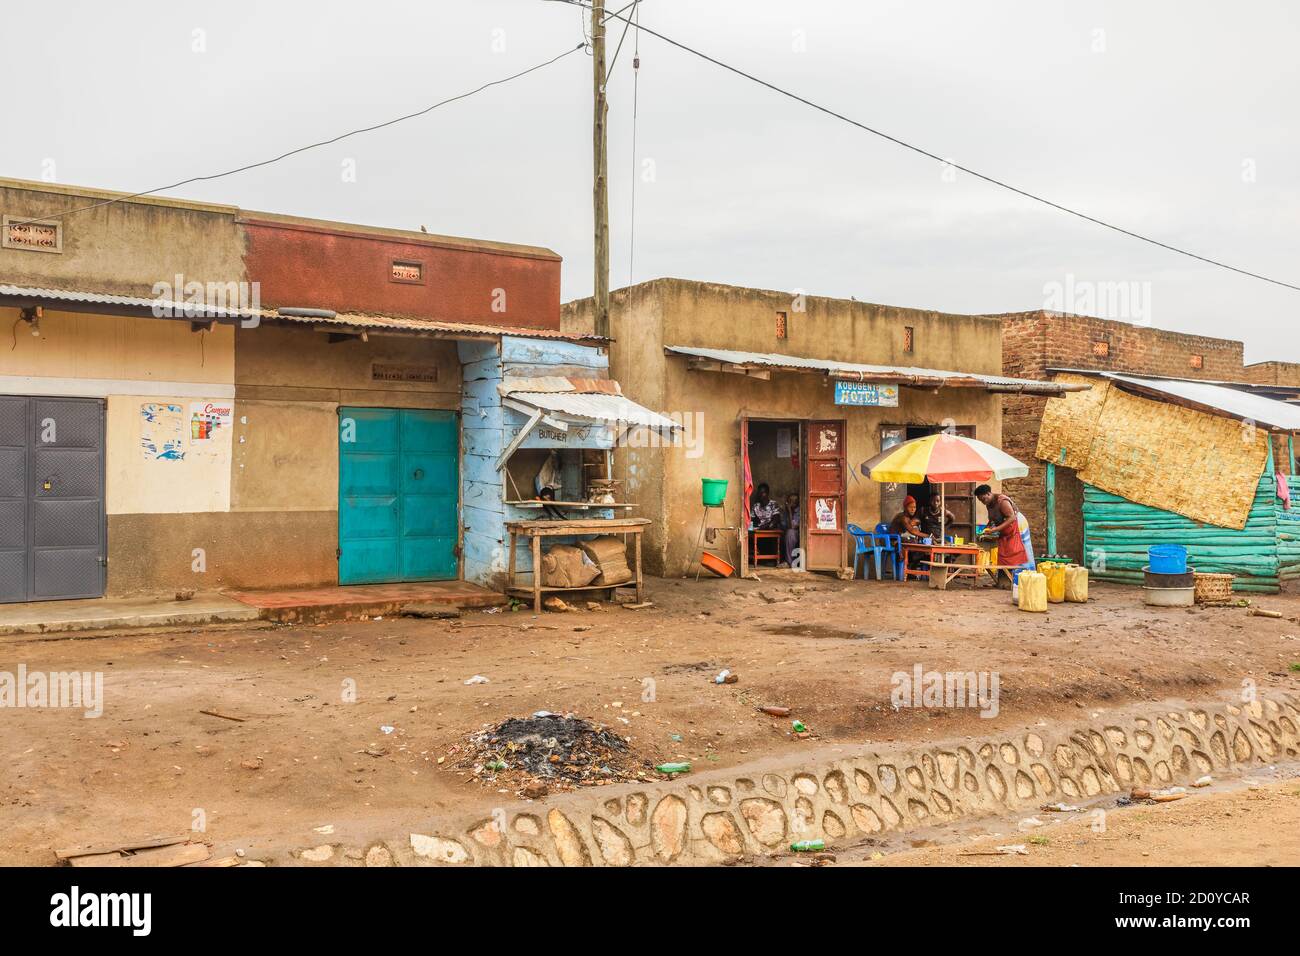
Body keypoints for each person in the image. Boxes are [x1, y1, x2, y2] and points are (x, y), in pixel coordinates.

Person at [975, 484, 1035, 569]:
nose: (983, 502)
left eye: (984, 499)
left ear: (989, 493)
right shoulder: (989, 503)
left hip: (1018, 525)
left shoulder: (1002, 501)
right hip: (1006, 529)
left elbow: (1012, 517)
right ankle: (1007, 576)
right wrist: (986, 529)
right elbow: (992, 518)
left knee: (1019, 551)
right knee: (1005, 552)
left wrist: (996, 529)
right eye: (981, 501)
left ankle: (1024, 575)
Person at [782, 493, 801, 566]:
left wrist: (789, 511)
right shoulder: (786, 511)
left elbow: (792, 526)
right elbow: (783, 524)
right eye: (788, 501)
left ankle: (789, 562)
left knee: (790, 533)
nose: (788, 503)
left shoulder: (799, 511)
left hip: (797, 533)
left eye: (791, 501)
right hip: (788, 532)